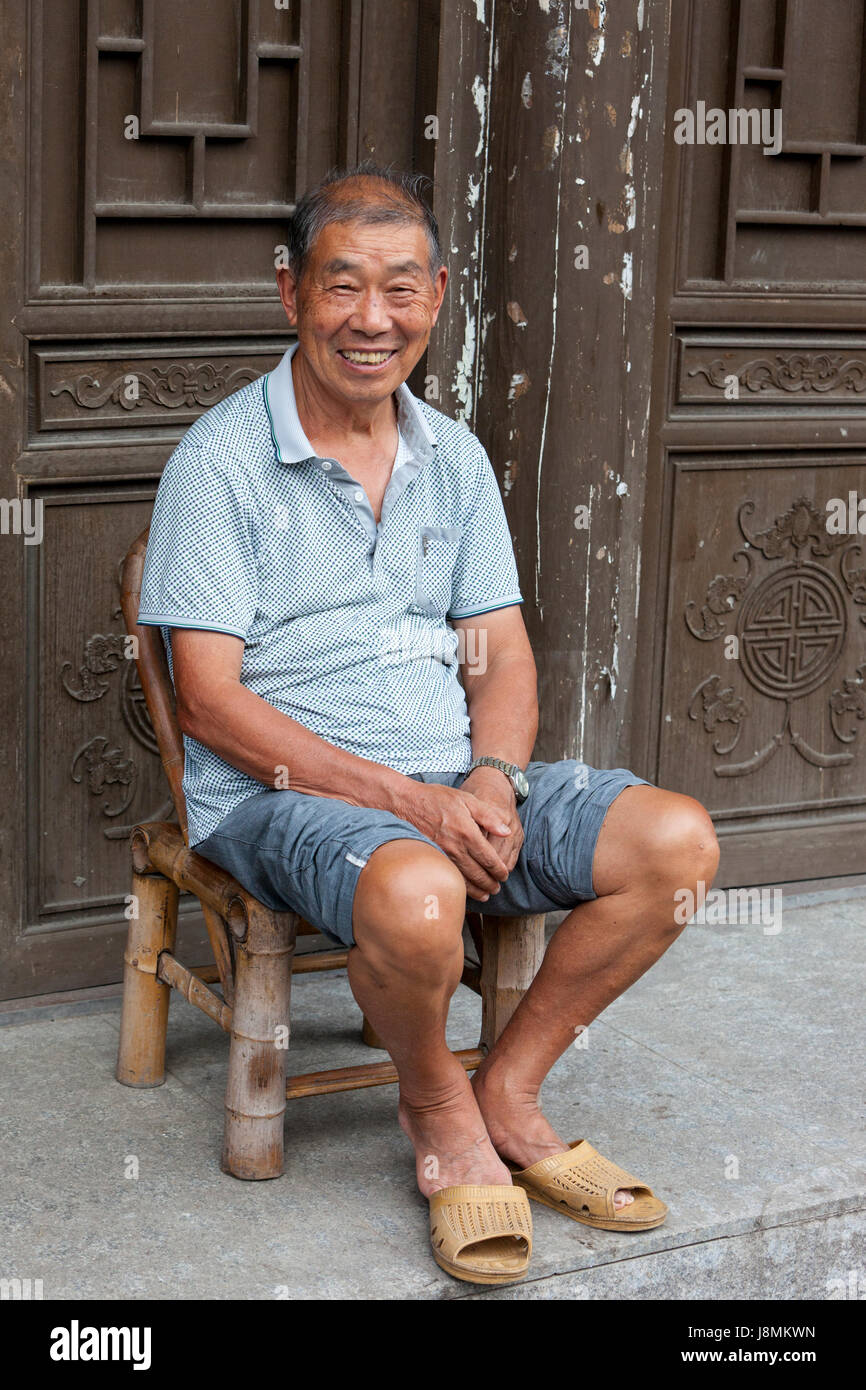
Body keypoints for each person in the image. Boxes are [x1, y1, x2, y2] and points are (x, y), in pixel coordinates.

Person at [138, 162, 720, 1285]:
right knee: (417, 889)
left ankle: (507, 1085)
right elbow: (208, 702)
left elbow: (499, 649)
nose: (372, 319)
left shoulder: (452, 459)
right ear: (290, 294)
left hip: (454, 776)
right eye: (342, 285)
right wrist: (408, 801)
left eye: (400, 289)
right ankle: (437, 1105)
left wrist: (492, 779)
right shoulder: (218, 463)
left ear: (437, 297)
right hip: (280, 796)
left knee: (675, 844)